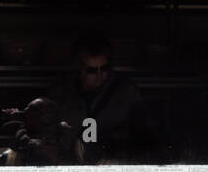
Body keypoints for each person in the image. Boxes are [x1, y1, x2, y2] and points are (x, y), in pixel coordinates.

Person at [46, 30, 154, 164]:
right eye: (91, 70)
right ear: (78, 69)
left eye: (104, 68)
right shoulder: (62, 91)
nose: (99, 74)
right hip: (70, 163)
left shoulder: (125, 90)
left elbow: (143, 133)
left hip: (113, 164)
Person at [0, 97, 78, 165]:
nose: (25, 114)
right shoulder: (8, 156)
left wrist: (17, 124)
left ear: (46, 118)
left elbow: (33, 147)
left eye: (32, 112)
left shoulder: (63, 143)